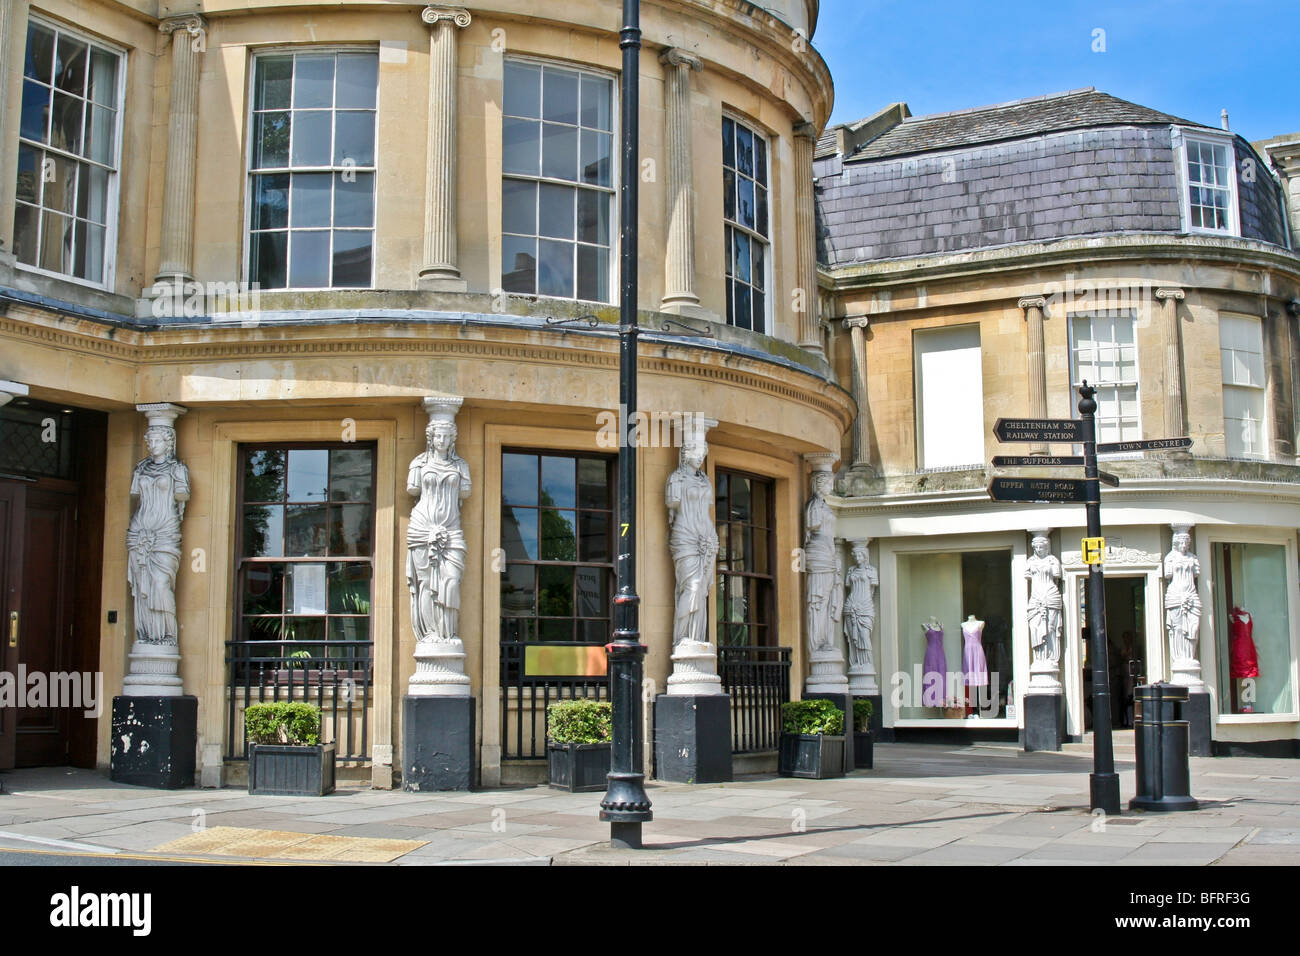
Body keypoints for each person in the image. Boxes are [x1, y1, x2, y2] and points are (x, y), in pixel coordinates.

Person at [406, 417, 471, 643]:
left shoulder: (461, 466)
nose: (442, 440)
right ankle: (430, 635)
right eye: (438, 436)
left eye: (446, 436)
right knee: (425, 583)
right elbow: (413, 490)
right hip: (421, 526)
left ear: (452, 438)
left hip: (451, 529)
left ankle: (448, 633)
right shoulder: (418, 464)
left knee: (451, 580)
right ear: (431, 438)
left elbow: (465, 492)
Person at [127, 425, 190, 646]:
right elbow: (136, 495)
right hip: (140, 530)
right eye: (149, 441)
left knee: (161, 584)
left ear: (168, 443)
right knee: (141, 587)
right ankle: (145, 635)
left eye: (157, 441)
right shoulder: (140, 468)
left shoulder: (177, 469)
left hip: (166, 531)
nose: (152, 446)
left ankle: (167, 636)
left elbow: (182, 496)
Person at [666, 437, 717, 645]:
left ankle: (696, 638)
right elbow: (672, 503)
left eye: (703, 453)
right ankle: (682, 639)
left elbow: (707, 508)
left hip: (707, 535)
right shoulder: (676, 479)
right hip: (685, 535)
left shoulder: (705, 480)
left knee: (703, 589)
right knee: (693, 586)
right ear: (686, 452)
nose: (701, 457)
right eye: (697, 452)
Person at [1163, 531, 1201, 663]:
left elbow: (1196, 574)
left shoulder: (1193, 558)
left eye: (1186, 542)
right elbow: (1167, 575)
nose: (1184, 545)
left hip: (1191, 595)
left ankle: (1190, 656)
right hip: (1175, 595)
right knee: (1177, 628)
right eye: (1181, 542)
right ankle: (1180, 659)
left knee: (1194, 627)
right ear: (1176, 543)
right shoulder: (1170, 558)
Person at [1025, 534, 1063, 666]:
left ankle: (1051, 658)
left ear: (1047, 546)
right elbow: (1028, 576)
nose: (1040, 549)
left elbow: (1056, 578)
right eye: (1037, 547)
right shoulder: (1030, 562)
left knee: (1050, 628)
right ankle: (1040, 658)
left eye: (1042, 546)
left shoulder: (1053, 560)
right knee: (1035, 626)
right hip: (1035, 597)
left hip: (1051, 594)